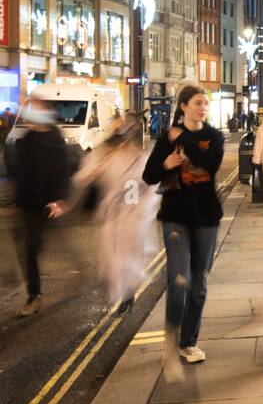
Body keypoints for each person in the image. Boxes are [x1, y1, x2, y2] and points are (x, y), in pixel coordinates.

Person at [143, 84, 225, 381]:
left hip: (205, 217)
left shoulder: (213, 137)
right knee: (179, 280)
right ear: (183, 107)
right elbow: (150, 175)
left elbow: (209, 164)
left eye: (205, 103)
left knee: (199, 285)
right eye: (197, 103)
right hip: (176, 216)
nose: (203, 107)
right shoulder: (167, 138)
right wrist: (166, 162)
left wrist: (185, 139)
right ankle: (170, 339)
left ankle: (188, 342)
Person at [72, 113, 159, 312]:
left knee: (130, 259)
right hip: (113, 217)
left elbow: (151, 187)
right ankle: (119, 290)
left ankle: (127, 293)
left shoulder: (142, 158)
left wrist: (141, 209)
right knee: (112, 258)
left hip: (133, 218)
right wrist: (95, 171)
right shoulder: (105, 155)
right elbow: (81, 177)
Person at [12, 96, 70, 317]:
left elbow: (62, 172)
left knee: (37, 246)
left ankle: (74, 272)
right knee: (30, 249)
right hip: (29, 203)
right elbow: (20, 172)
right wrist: (16, 202)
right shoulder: (27, 138)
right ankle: (34, 295)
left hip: (48, 203)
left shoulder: (55, 137)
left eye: (34, 108)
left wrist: (59, 200)